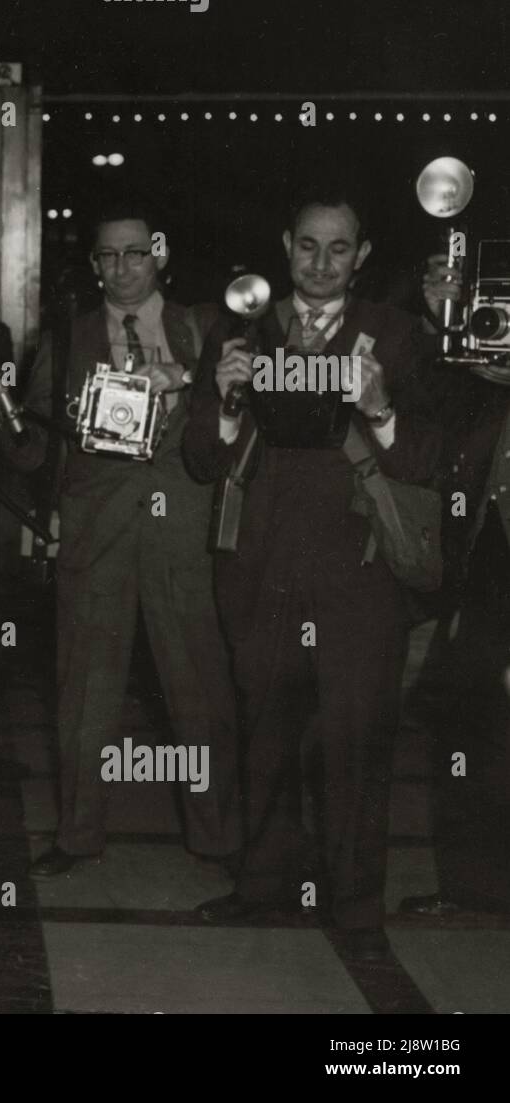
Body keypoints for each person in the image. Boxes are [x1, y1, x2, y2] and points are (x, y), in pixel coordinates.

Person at [184, 185, 442, 962]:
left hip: (358, 570)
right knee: (264, 730)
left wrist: (381, 403)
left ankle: (356, 906)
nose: (321, 263)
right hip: (263, 567)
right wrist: (226, 403)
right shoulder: (245, 331)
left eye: (339, 248)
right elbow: (202, 460)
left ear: (361, 257)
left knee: (357, 736)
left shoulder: (398, 336)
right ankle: (264, 884)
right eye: (307, 246)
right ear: (285, 247)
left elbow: (427, 461)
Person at [0, 200, 240, 877]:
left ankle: (218, 837)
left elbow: (250, 385)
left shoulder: (202, 327)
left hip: (183, 532)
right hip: (97, 537)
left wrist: (179, 375)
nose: (123, 268)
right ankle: (77, 834)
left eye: (136, 253)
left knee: (199, 692)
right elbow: (32, 452)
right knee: (85, 693)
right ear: (93, 267)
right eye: (108, 256)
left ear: (160, 254)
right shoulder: (67, 340)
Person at [397, 256, 510, 918]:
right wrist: (447, 325)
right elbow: (430, 410)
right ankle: (472, 886)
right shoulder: (482, 323)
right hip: (486, 550)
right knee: (469, 722)